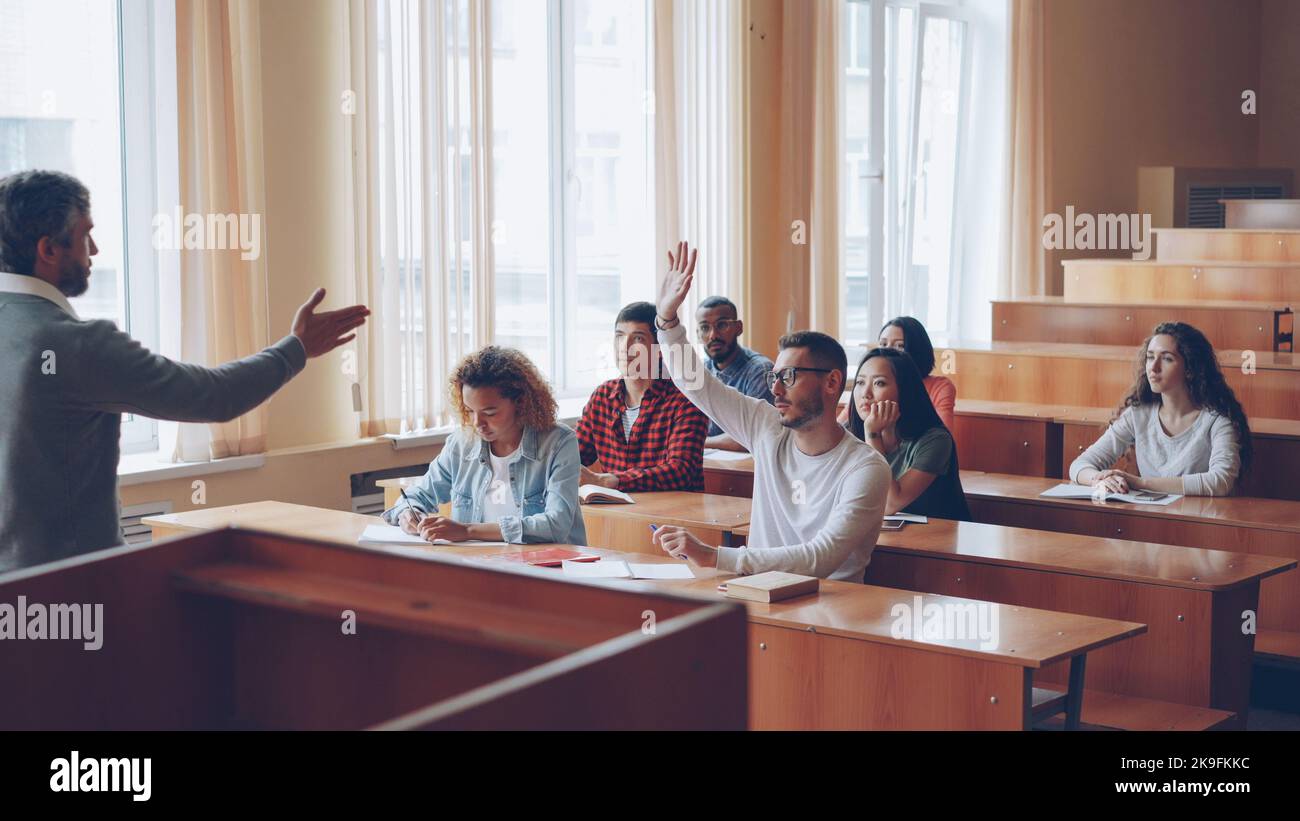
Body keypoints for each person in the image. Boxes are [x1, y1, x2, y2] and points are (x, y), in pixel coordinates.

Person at [0, 170, 369, 572]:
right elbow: (213, 396)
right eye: (85, 235)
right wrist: (295, 349)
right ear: (48, 250)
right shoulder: (75, 345)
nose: (95, 249)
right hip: (74, 592)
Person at [649, 242, 890, 581]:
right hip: (757, 593)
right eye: (775, 377)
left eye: (789, 377)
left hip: (830, 610)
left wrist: (713, 556)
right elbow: (696, 384)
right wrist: (667, 321)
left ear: (833, 382)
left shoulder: (866, 468)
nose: (776, 389)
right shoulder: (767, 426)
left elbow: (819, 558)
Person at [382, 346, 586, 544]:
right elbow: (416, 495)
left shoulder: (558, 443)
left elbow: (557, 524)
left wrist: (468, 531)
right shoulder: (461, 444)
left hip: (544, 568)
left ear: (520, 403)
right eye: (469, 410)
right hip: (479, 566)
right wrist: (408, 513)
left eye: (489, 413)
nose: (477, 423)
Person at [1069, 322, 1250, 497]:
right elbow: (1079, 465)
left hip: (1198, 521)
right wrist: (1099, 480)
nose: (1153, 368)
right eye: (1150, 357)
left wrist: (1140, 483)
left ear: (1190, 369)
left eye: (1167, 359)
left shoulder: (1217, 421)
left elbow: (1220, 482)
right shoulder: (1138, 414)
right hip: (1150, 518)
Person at [575, 301, 710, 492]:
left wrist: (609, 481)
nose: (625, 347)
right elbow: (574, 455)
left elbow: (680, 471)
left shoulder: (685, 399)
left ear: (660, 349)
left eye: (637, 339)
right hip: (617, 515)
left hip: (671, 515)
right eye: (619, 337)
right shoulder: (602, 397)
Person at [846, 347, 970, 520]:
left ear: (904, 390)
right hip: (877, 536)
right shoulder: (847, 433)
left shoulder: (936, 440)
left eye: (879, 383)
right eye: (860, 383)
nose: (865, 394)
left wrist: (873, 435)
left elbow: (889, 503)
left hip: (934, 540)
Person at [695, 295, 774, 452]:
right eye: (705, 328)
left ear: (739, 327)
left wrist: (698, 442)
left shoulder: (760, 371)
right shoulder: (700, 370)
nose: (713, 335)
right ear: (698, 334)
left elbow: (752, 436)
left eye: (722, 325)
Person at [876, 316, 956, 433]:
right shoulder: (869, 384)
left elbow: (943, 437)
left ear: (917, 350)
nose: (887, 351)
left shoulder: (939, 387)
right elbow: (843, 427)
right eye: (883, 344)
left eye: (899, 346)